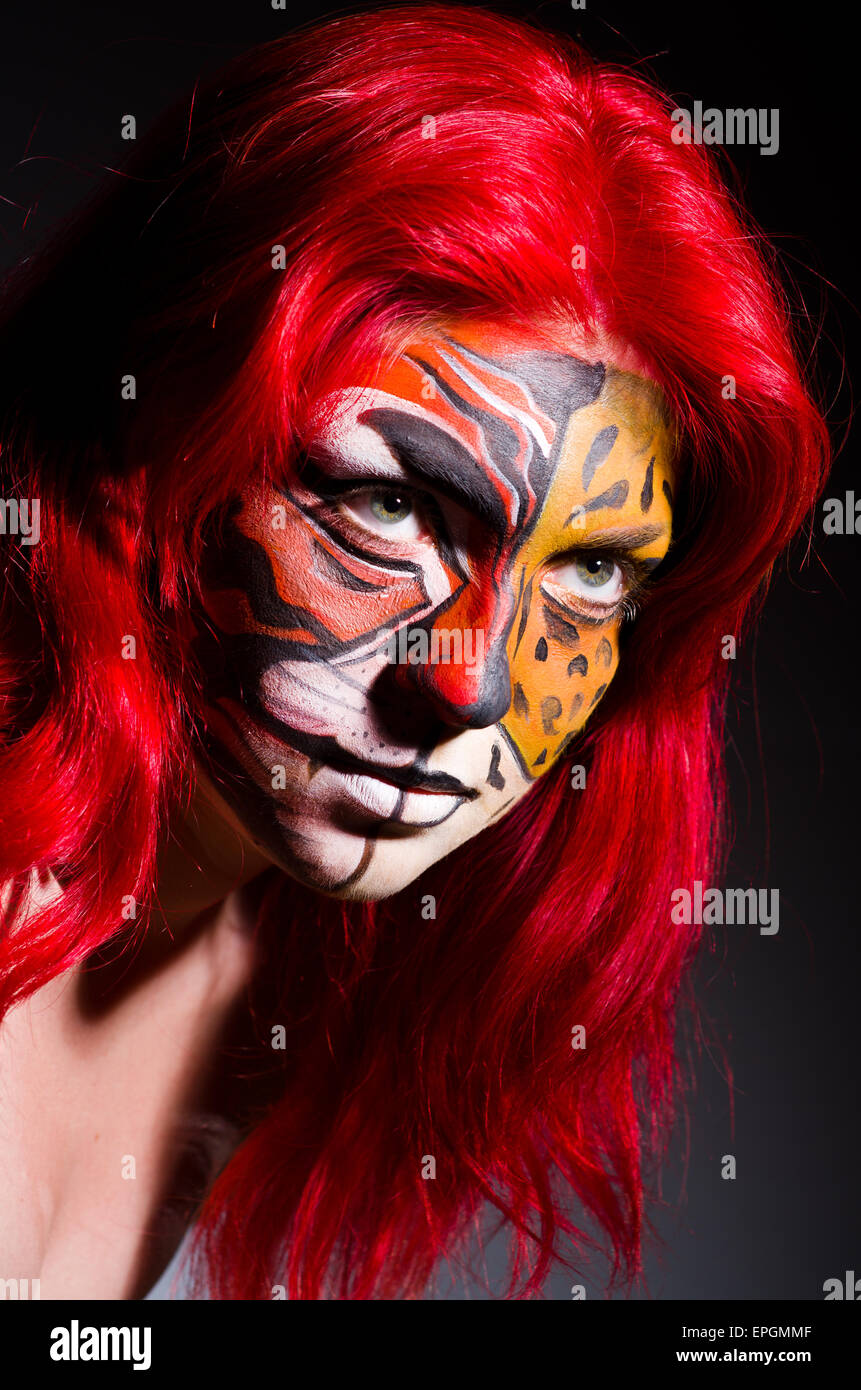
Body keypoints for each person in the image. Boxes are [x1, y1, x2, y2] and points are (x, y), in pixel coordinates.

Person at [0, 4, 829, 1300]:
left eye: (593, 570)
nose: (471, 683)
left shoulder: (290, 975)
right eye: (385, 503)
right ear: (150, 421)